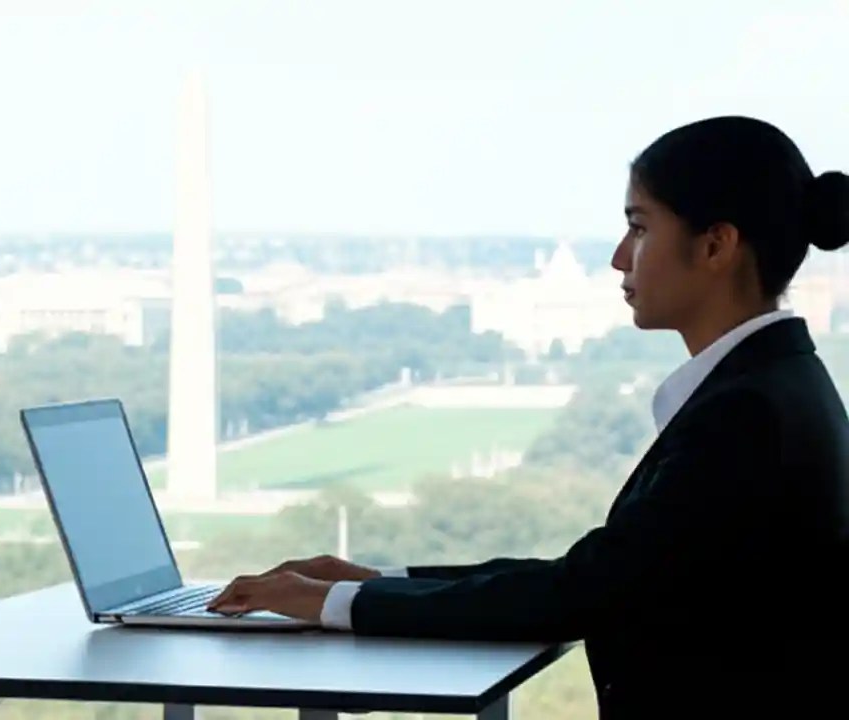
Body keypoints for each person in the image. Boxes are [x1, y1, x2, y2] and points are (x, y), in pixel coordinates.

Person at [208, 116, 849, 719]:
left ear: (715, 245)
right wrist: (379, 581)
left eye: (641, 227)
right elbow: (602, 574)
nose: (620, 257)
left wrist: (331, 602)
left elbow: (579, 594)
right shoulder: (783, 386)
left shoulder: (746, 414)